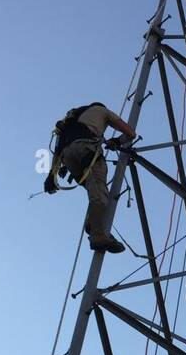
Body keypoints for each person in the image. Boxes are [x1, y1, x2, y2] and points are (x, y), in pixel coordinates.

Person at [44, 102, 135, 253]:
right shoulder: (103, 111)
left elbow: (58, 150)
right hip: (87, 150)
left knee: (94, 189)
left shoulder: (71, 120)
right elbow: (131, 133)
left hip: (69, 157)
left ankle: (93, 224)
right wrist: (117, 141)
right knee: (99, 194)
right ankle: (98, 236)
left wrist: (51, 176)